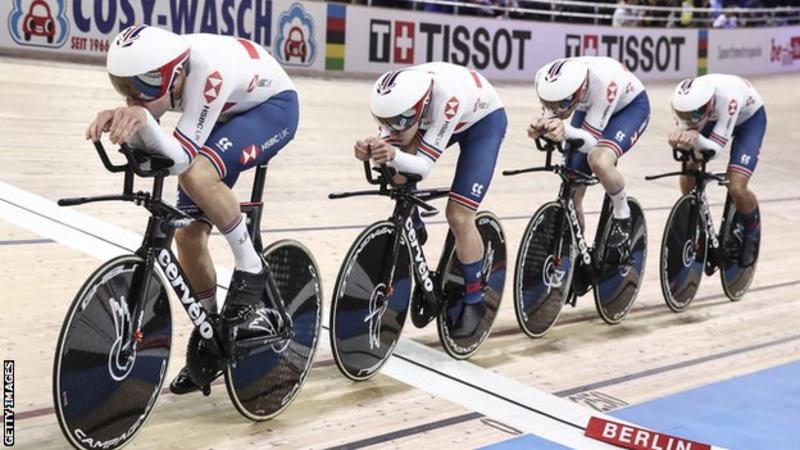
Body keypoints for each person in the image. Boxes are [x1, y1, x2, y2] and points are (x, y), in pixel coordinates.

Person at [85, 25, 299, 394]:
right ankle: (213, 333)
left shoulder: (207, 74)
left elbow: (181, 157)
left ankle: (252, 266)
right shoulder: (170, 77)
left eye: (143, 87)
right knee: (188, 235)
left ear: (174, 75)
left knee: (197, 173)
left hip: (272, 107)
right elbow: (159, 145)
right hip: (223, 114)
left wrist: (145, 122)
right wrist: (125, 123)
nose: (133, 97)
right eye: (124, 87)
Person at [354, 63, 507, 340]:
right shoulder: (404, 101)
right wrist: (373, 145)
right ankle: (413, 221)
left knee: (459, 216)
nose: (392, 128)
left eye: (400, 121)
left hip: (482, 123)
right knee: (395, 166)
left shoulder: (447, 98)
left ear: (422, 105)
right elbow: (395, 138)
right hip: (437, 119)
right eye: (384, 120)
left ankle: (474, 298)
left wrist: (392, 152)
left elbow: (424, 167)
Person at [528, 57, 650, 258]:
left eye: (560, 104)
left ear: (578, 92)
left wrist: (564, 129)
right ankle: (576, 255)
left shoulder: (605, 82)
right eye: (549, 103)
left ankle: (622, 212)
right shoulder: (544, 77)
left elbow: (591, 142)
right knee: (572, 183)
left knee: (599, 160)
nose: (555, 109)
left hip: (628, 108)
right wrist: (540, 128)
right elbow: (552, 116)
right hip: (589, 107)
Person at [669, 75, 765, 267]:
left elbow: (714, 151)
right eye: (683, 115)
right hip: (713, 119)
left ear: (708, 105)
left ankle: (752, 230)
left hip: (748, 121)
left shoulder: (729, 98)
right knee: (689, 167)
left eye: (692, 116)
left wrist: (694, 138)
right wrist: (679, 138)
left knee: (736, 185)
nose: (688, 120)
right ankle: (694, 214)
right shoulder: (688, 105)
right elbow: (690, 131)